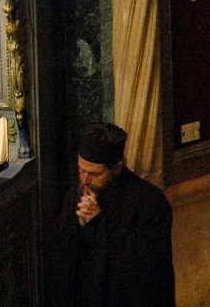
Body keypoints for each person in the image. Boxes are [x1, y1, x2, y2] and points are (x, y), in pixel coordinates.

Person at [48, 123, 175, 307]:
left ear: (117, 168)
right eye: (81, 170)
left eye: (94, 174)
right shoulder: (74, 196)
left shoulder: (150, 203)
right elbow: (61, 260)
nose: (85, 180)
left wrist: (99, 223)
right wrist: (79, 226)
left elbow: (148, 271)